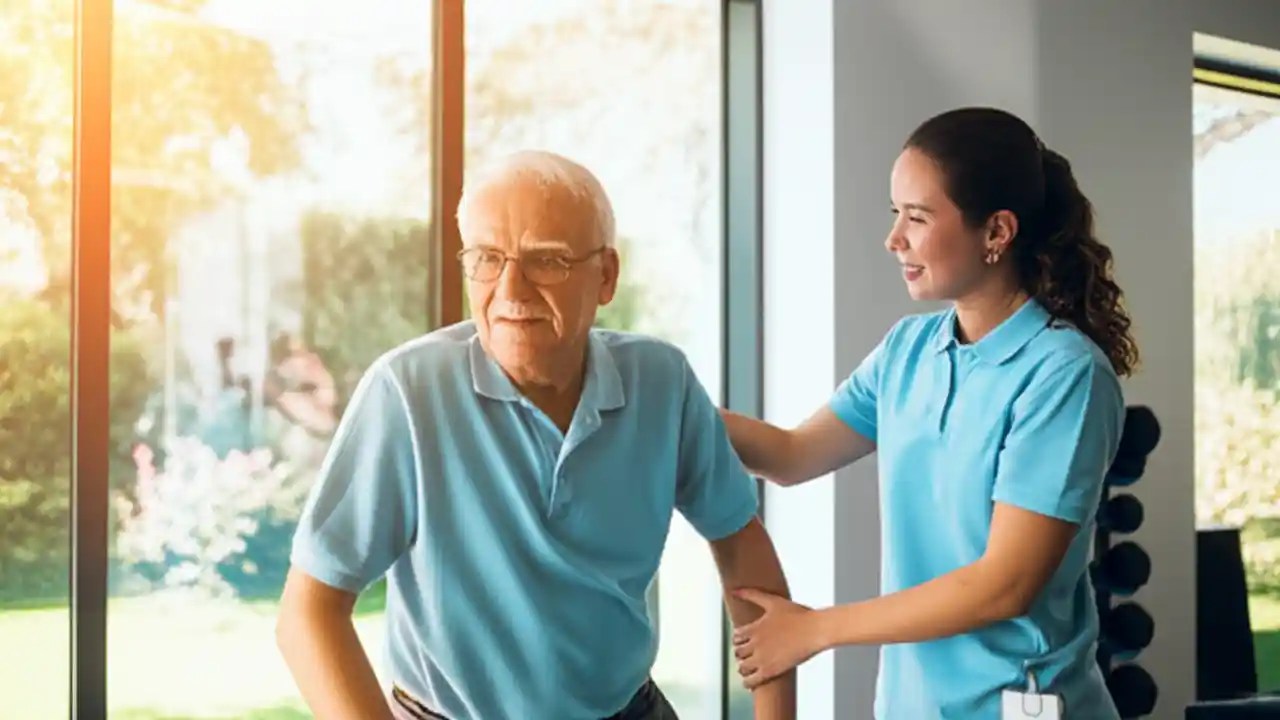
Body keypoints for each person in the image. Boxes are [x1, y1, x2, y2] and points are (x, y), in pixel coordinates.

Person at [276, 149, 796, 720]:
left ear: (606, 276)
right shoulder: (406, 392)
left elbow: (743, 551)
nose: (511, 288)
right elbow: (309, 614)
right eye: (487, 258)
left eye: (546, 260)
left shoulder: (661, 382)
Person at [722, 107, 1139, 719]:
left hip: (1014, 707)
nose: (895, 238)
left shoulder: (1064, 375)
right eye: (896, 214)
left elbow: (1006, 585)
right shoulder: (908, 350)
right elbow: (790, 455)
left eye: (917, 217)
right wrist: (669, 402)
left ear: (996, 232)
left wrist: (817, 629)